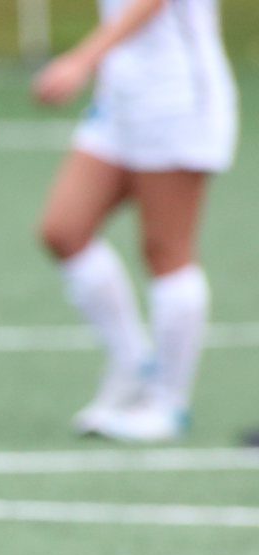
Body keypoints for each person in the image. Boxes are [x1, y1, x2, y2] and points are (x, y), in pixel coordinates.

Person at [33, 0, 236, 442]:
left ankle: (167, 402)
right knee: (63, 230)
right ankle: (131, 363)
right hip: (121, 98)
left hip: (178, 95)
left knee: (165, 251)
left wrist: (82, 60)